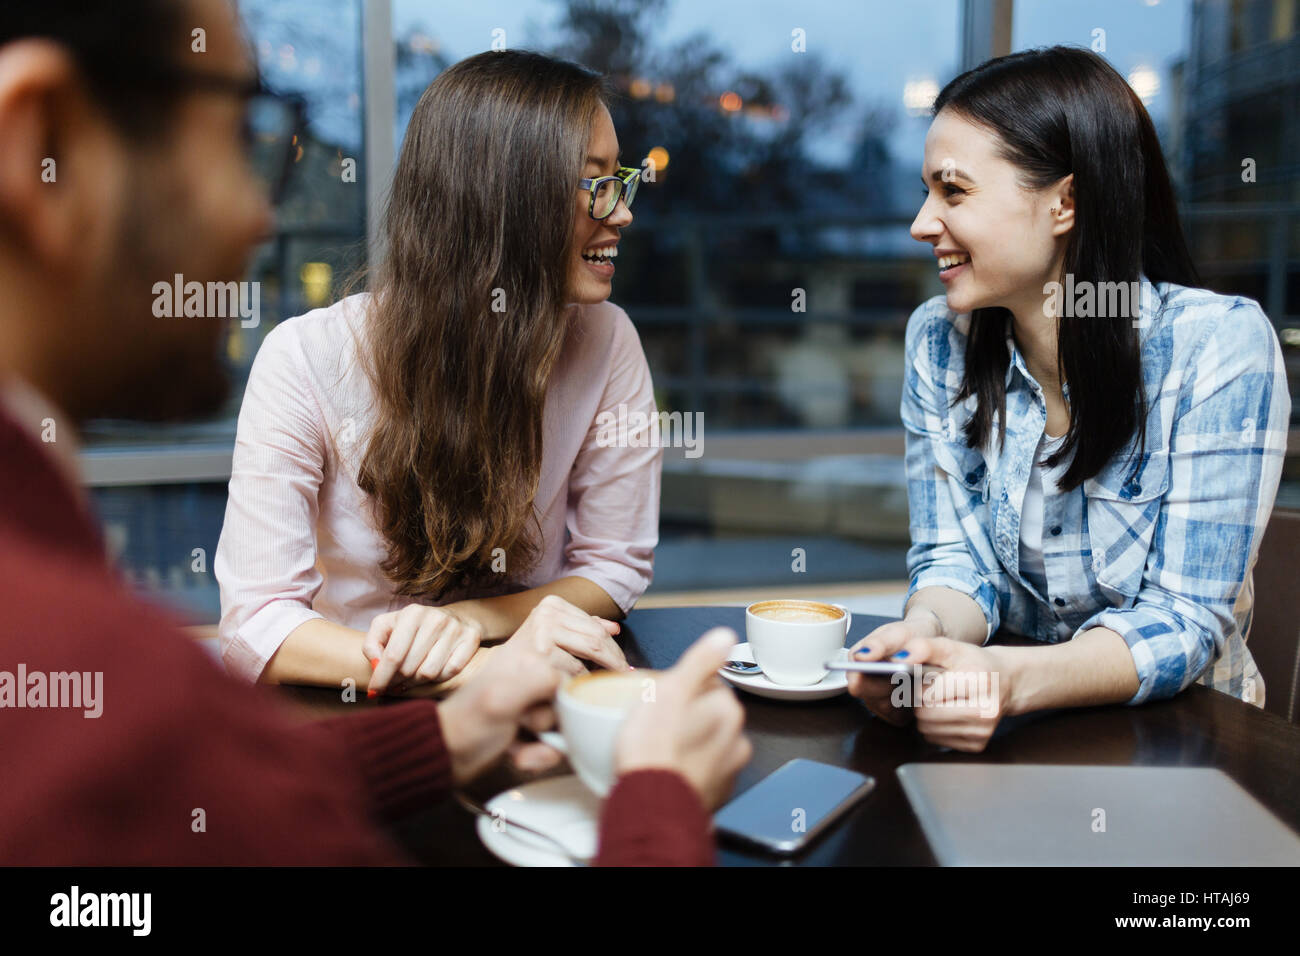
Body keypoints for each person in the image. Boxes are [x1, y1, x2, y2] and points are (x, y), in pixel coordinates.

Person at [0, 0, 748, 865]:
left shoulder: (96, 675)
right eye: (239, 132)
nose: (262, 216)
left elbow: (613, 566)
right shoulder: (109, 681)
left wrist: (454, 711)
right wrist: (658, 797)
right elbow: (257, 628)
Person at [847, 47, 1290, 751]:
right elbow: (953, 563)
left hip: (1189, 747)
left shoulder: (1218, 347)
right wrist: (921, 643)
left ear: (1066, 203)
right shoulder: (939, 339)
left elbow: (1183, 618)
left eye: (953, 191)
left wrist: (1006, 677)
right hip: (1015, 726)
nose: (922, 222)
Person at [215, 49, 661, 695]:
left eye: (618, 180)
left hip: (533, 691)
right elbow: (255, 624)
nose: (621, 212)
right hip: (356, 704)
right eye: (594, 183)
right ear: (503, 200)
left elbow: (614, 567)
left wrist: (466, 622)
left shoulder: (608, 339)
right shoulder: (303, 358)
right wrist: (474, 670)